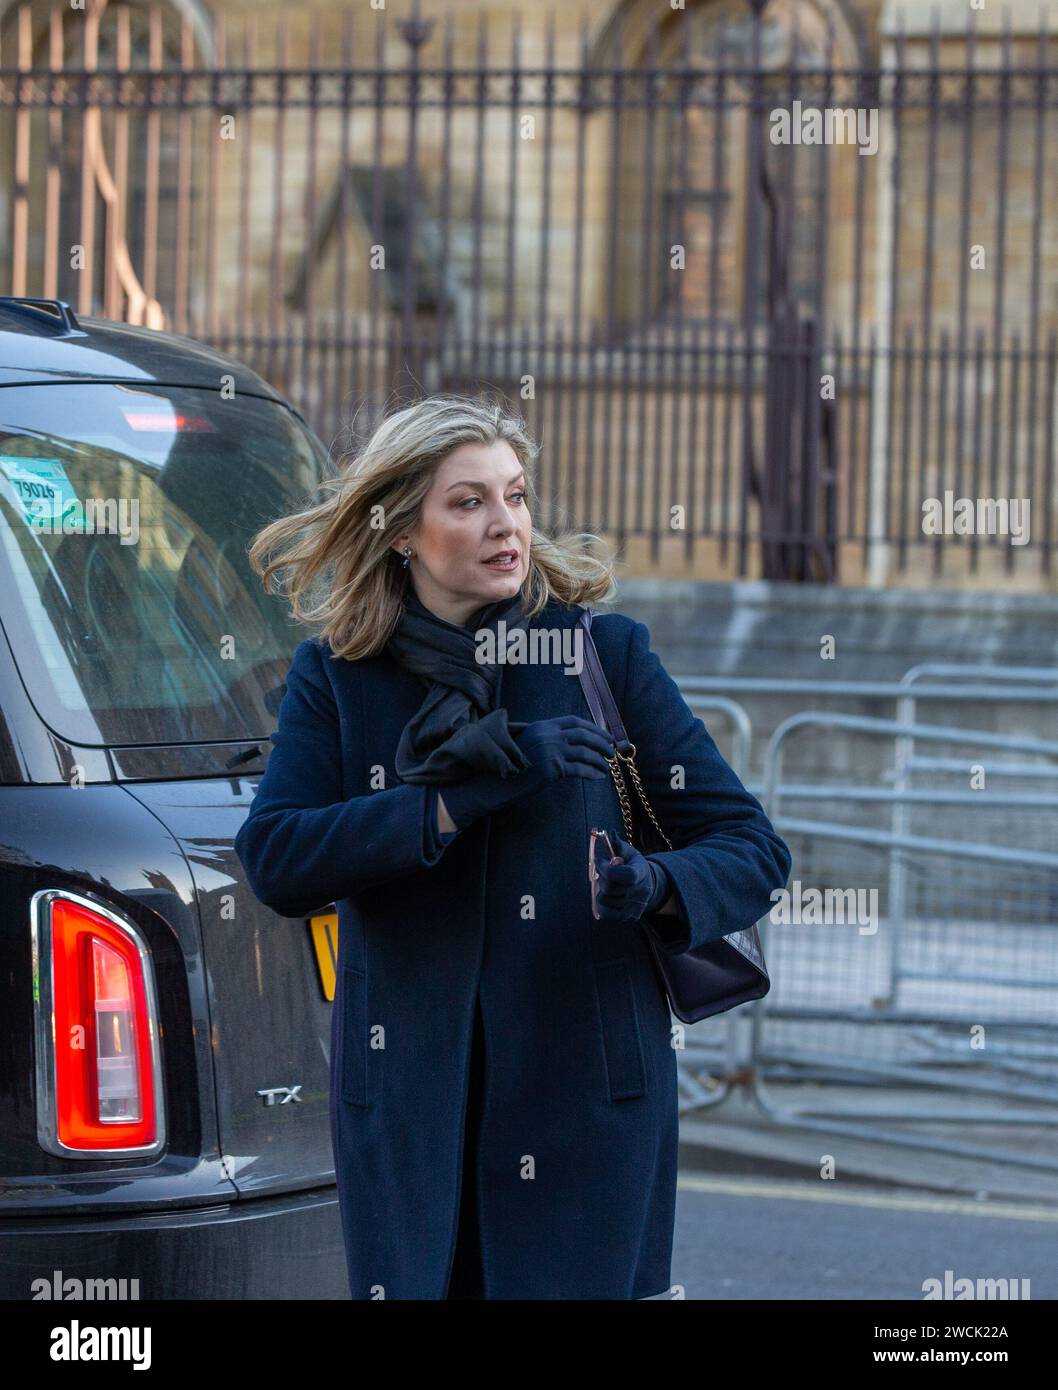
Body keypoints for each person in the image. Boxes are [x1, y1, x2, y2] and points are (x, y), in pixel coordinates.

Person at [234, 393, 791, 1300]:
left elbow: (751, 848)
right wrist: (461, 795)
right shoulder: (336, 677)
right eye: (470, 502)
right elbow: (279, 860)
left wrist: (653, 884)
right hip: (410, 1103)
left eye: (518, 496)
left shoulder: (602, 655)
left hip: (587, 1098)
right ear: (402, 529)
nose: (507, 525)